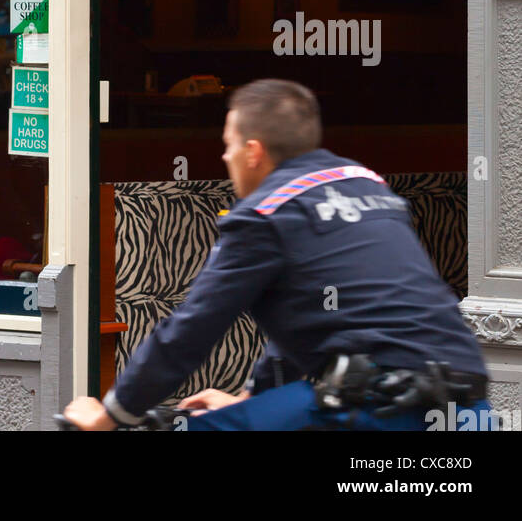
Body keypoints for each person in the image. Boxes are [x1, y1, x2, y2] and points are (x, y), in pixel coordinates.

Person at [65, 80, 492, 432]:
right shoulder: (366, 184)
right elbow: (313, 318)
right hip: (467, 409)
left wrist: (110, 414)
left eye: (228, 144)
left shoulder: (264, 213)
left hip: (381, 410)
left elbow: (190, 330)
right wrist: (252, 399)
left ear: (253, 151)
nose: (224, 156)